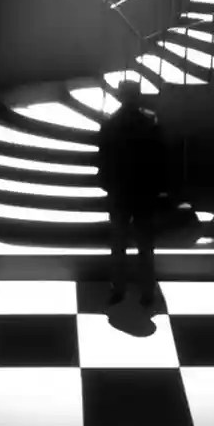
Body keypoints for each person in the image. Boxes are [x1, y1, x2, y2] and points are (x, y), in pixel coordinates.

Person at [96, 79, 166, 306]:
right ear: (137, 96)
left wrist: (108, 185)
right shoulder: (150, 122)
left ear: (120, 96)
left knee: (119, 244)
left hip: (120, 191)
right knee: (145, 245)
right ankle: (147, 291)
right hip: (144, 191)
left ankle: (118, 289)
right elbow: (160, 159)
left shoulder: (110, 124)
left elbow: (103, 160)